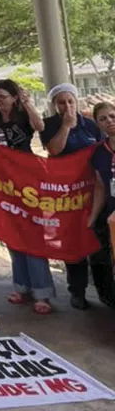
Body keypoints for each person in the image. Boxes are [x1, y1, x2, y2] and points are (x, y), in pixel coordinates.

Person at [0, 80, 53, 313]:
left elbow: (40, 127)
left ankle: (42, 292)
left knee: (32, 233)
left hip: (27, 179)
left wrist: (28, 103)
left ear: (13, 97)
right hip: (1, 182)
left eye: (3, 96)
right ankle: (21, 286)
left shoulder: (22, 114)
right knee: (12, 234)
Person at [41, 83, 102, 310]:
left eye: (70, 101)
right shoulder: (50, 125)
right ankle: (77, 291)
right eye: (61, 102)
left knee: (97, 241)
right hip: (66, 197)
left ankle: (103, 289)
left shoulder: (92, 125)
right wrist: (65, 127)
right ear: (54, 105)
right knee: (73, 243)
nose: (66, 106)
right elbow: (55, 150)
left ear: (77, 101)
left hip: (93, 192)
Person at [86, 101, 115, 309]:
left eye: (113, 116)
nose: (110, 122)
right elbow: (99, 187)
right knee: (103, 257)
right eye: (103, 119)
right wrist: (93, 217)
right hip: (110, 215)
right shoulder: (99, 152)